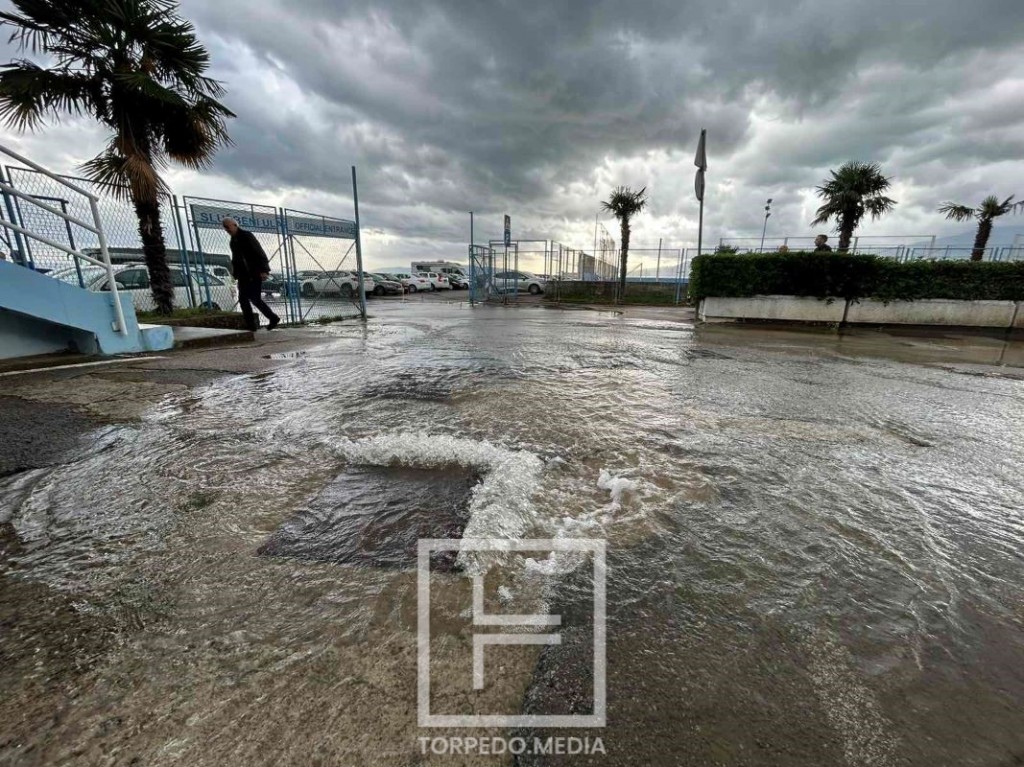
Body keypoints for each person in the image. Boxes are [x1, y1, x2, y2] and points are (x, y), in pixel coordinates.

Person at [223, 217, 280, 331]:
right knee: (243, 299)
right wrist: (235, 274)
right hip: (243, 275)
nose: (226, 229)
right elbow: (236, 259)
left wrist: (264, 270)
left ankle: (272, 318)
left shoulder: (246, 236)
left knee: (255, 299)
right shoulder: (233, 241)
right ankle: (251, 325)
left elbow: (259, 252)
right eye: (224, 227)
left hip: (254, 273)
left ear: (235, 225)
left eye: (227, 226)